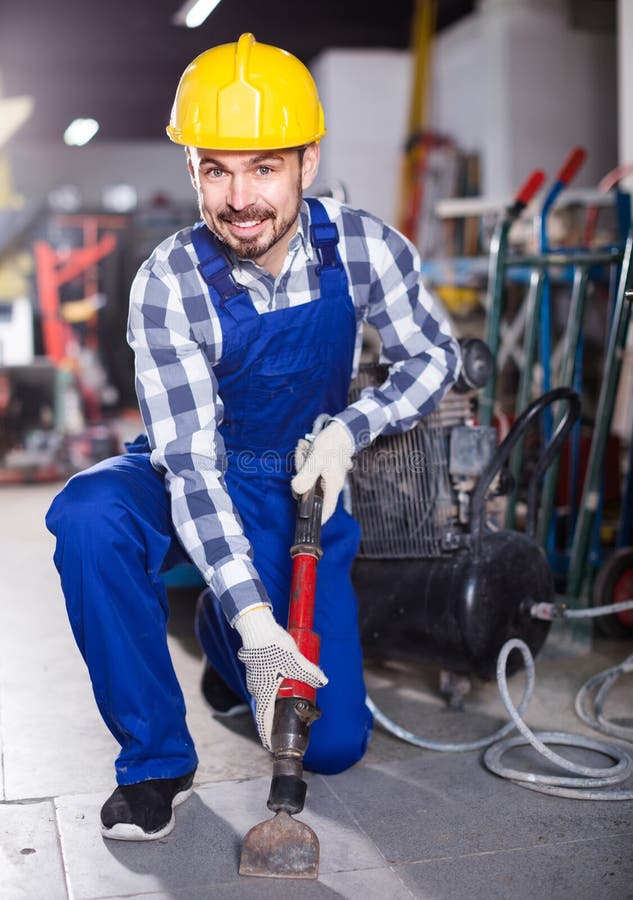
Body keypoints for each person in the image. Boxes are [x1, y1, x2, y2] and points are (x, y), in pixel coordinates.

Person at [46, 32, 460, 842]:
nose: (239, 199)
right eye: (215, 169)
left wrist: (351, 427)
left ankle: (218, 638)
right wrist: (258, 619)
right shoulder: (169, 281)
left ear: (306, 162)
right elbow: (191, 468)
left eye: (263, 167)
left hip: (298, 479)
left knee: (333, 747)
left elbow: (433, 356)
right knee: (88, 514)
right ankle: (157, 760)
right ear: (193, 170)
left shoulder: (364, 246)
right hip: (191, 466)